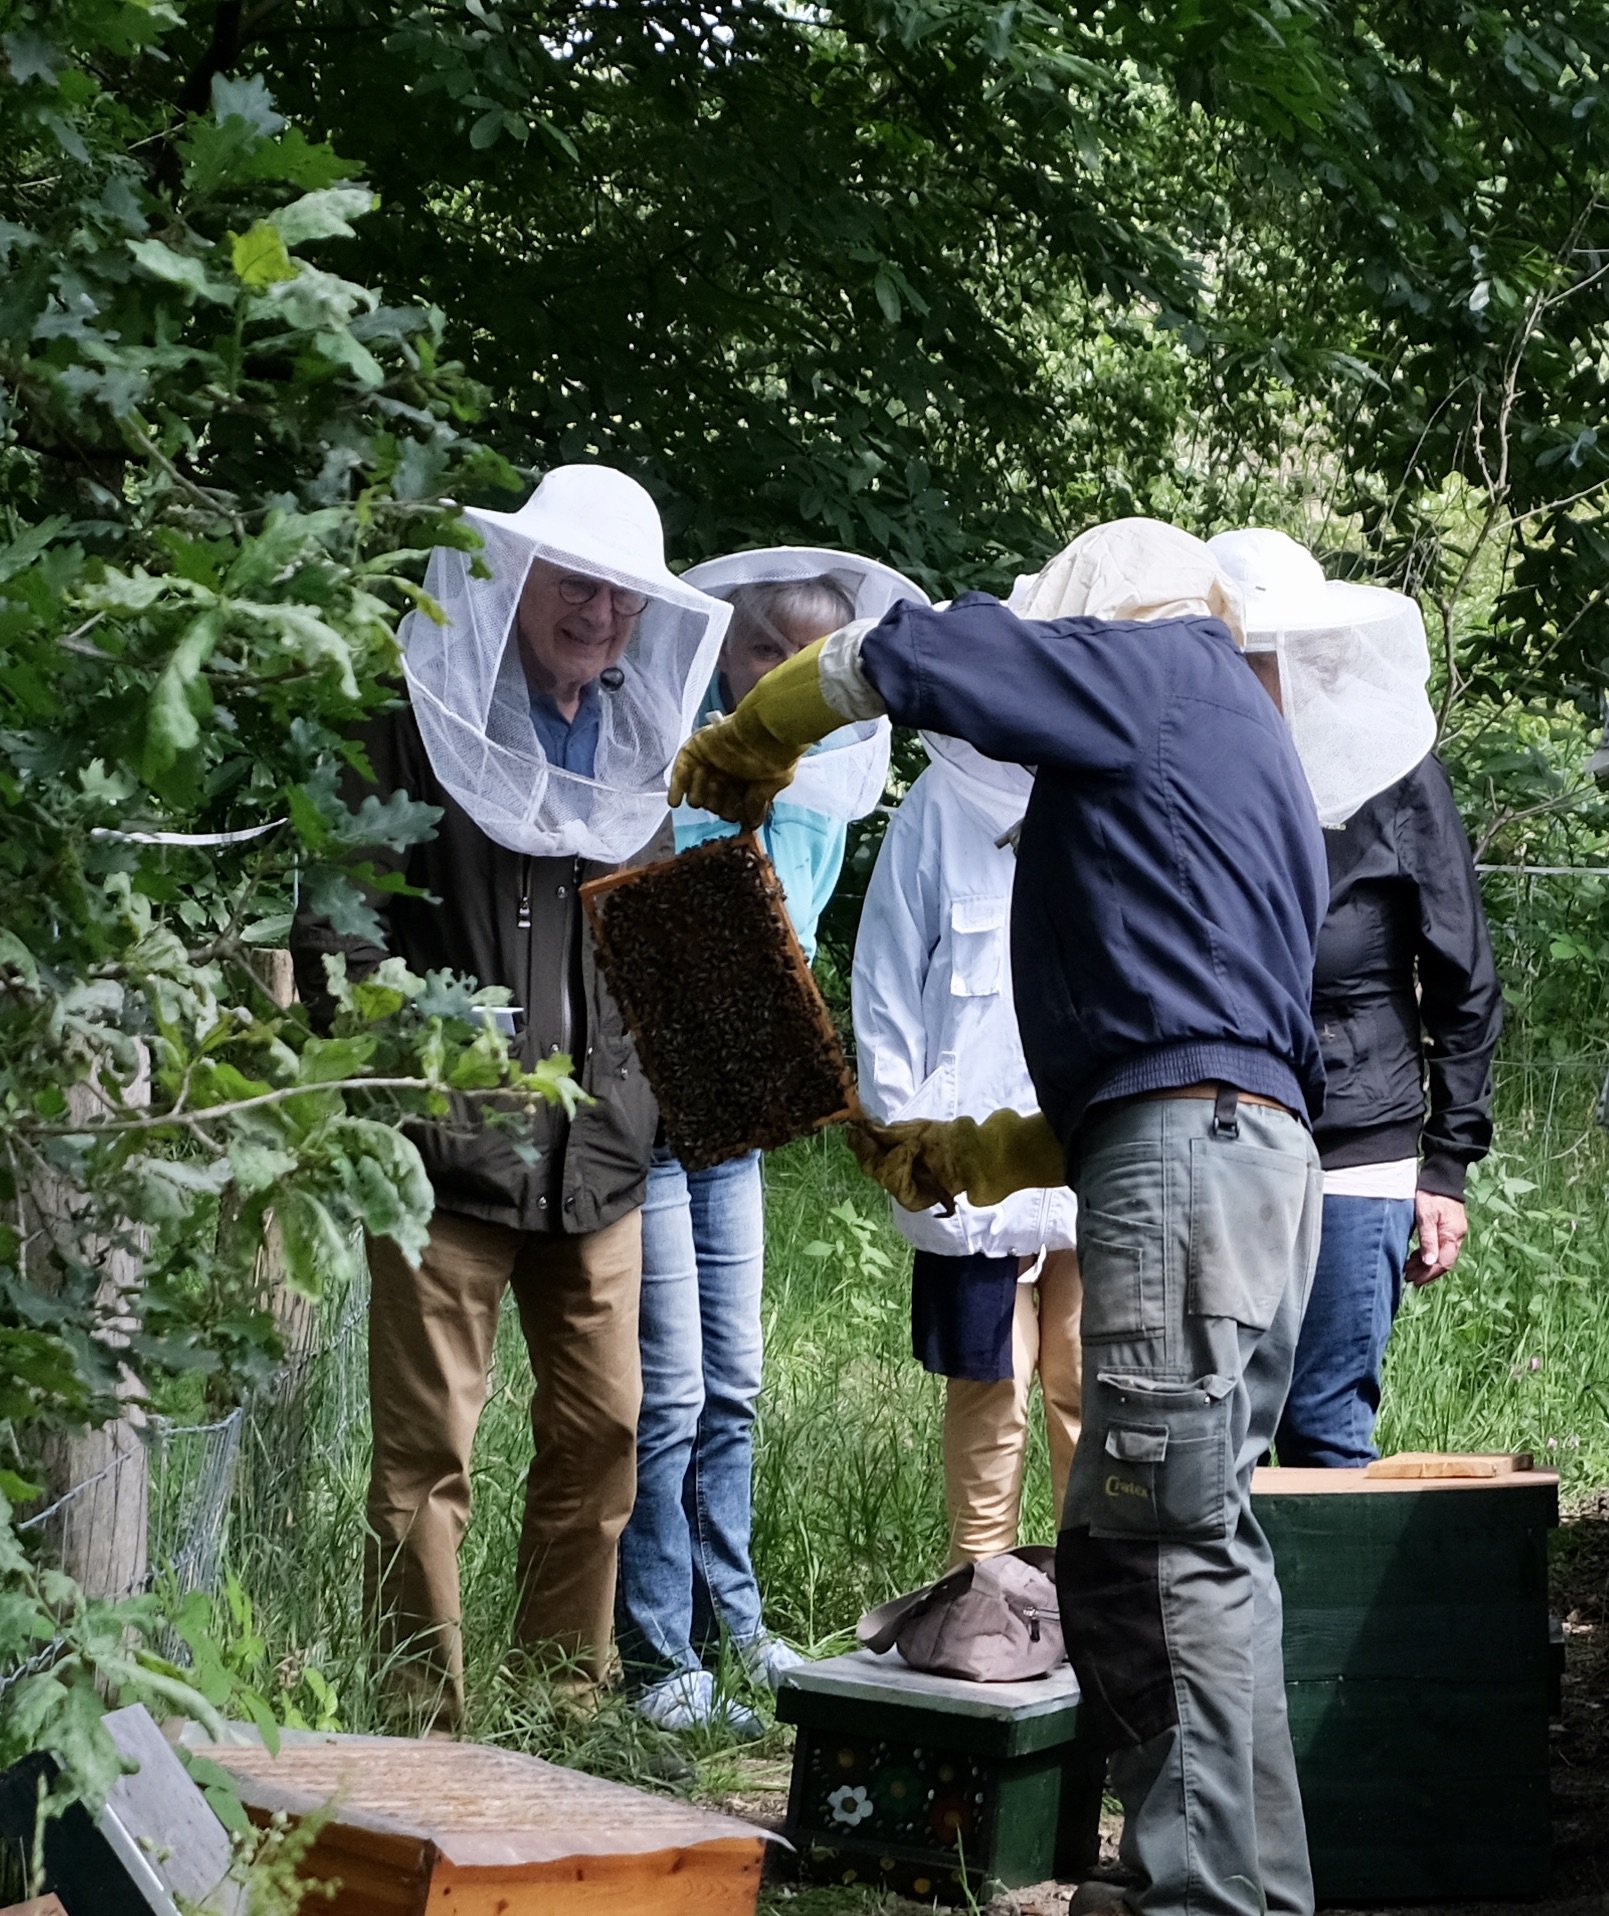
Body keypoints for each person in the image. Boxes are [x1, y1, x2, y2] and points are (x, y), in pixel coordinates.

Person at [670, 518, 1329, 1916]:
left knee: (1157, 1543)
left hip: (1192, 1166)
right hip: (1238, 1161)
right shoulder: (1239, 748)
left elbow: (927, 651)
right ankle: (1236, 1886)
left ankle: (1204, 1901)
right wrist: (988, 1149)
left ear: (1095, 626)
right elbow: (1197, 1028)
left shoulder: (1156, 670)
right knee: (1184, 1540)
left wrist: (760, 731)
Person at [291, 465, 730, 1731]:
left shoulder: (650, 735)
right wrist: (410, 1088)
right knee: (425, 1465)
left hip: (600, 1165)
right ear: (521, 576)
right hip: (446, 1161)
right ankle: (424, 1732)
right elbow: (343, 920)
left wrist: (647, 1101)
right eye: (576, 581)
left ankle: (561, 1719)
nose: (598, 612)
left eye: (623, 596)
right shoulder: (420, 709)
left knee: (603, 1440)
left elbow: (666, 947)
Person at [616, 548, 925, 1734]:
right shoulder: (680, 763)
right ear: (721, 654)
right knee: (673, 1392)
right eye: (765, 649)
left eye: (814, 652)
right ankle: (655, 1658)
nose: (789, 670)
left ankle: (731, 1630)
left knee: (734, 1383)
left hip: (734, 1114)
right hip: (645, 1113)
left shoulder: (832, 784)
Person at [1209, 529, 1503, 1468]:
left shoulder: (1396, 775)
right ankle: (1224, 1623)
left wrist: (1447, 1168)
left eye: (1259, 653)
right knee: (1213, 1431)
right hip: (1213, 1137)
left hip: (1357, 1142)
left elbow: (1461, 976)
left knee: (1324, 1426)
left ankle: (1327, 1620)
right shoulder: (1186, 766)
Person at [852, 729, 1081, 1566]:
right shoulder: (935, 809)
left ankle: (1091, 1597)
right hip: (968, 1161)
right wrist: (904, 1137)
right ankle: (981, 1585)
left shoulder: (1109, 794)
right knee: (989, 1382)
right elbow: (883, 983)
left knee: (1091, 1381)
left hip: (1089, 1150)